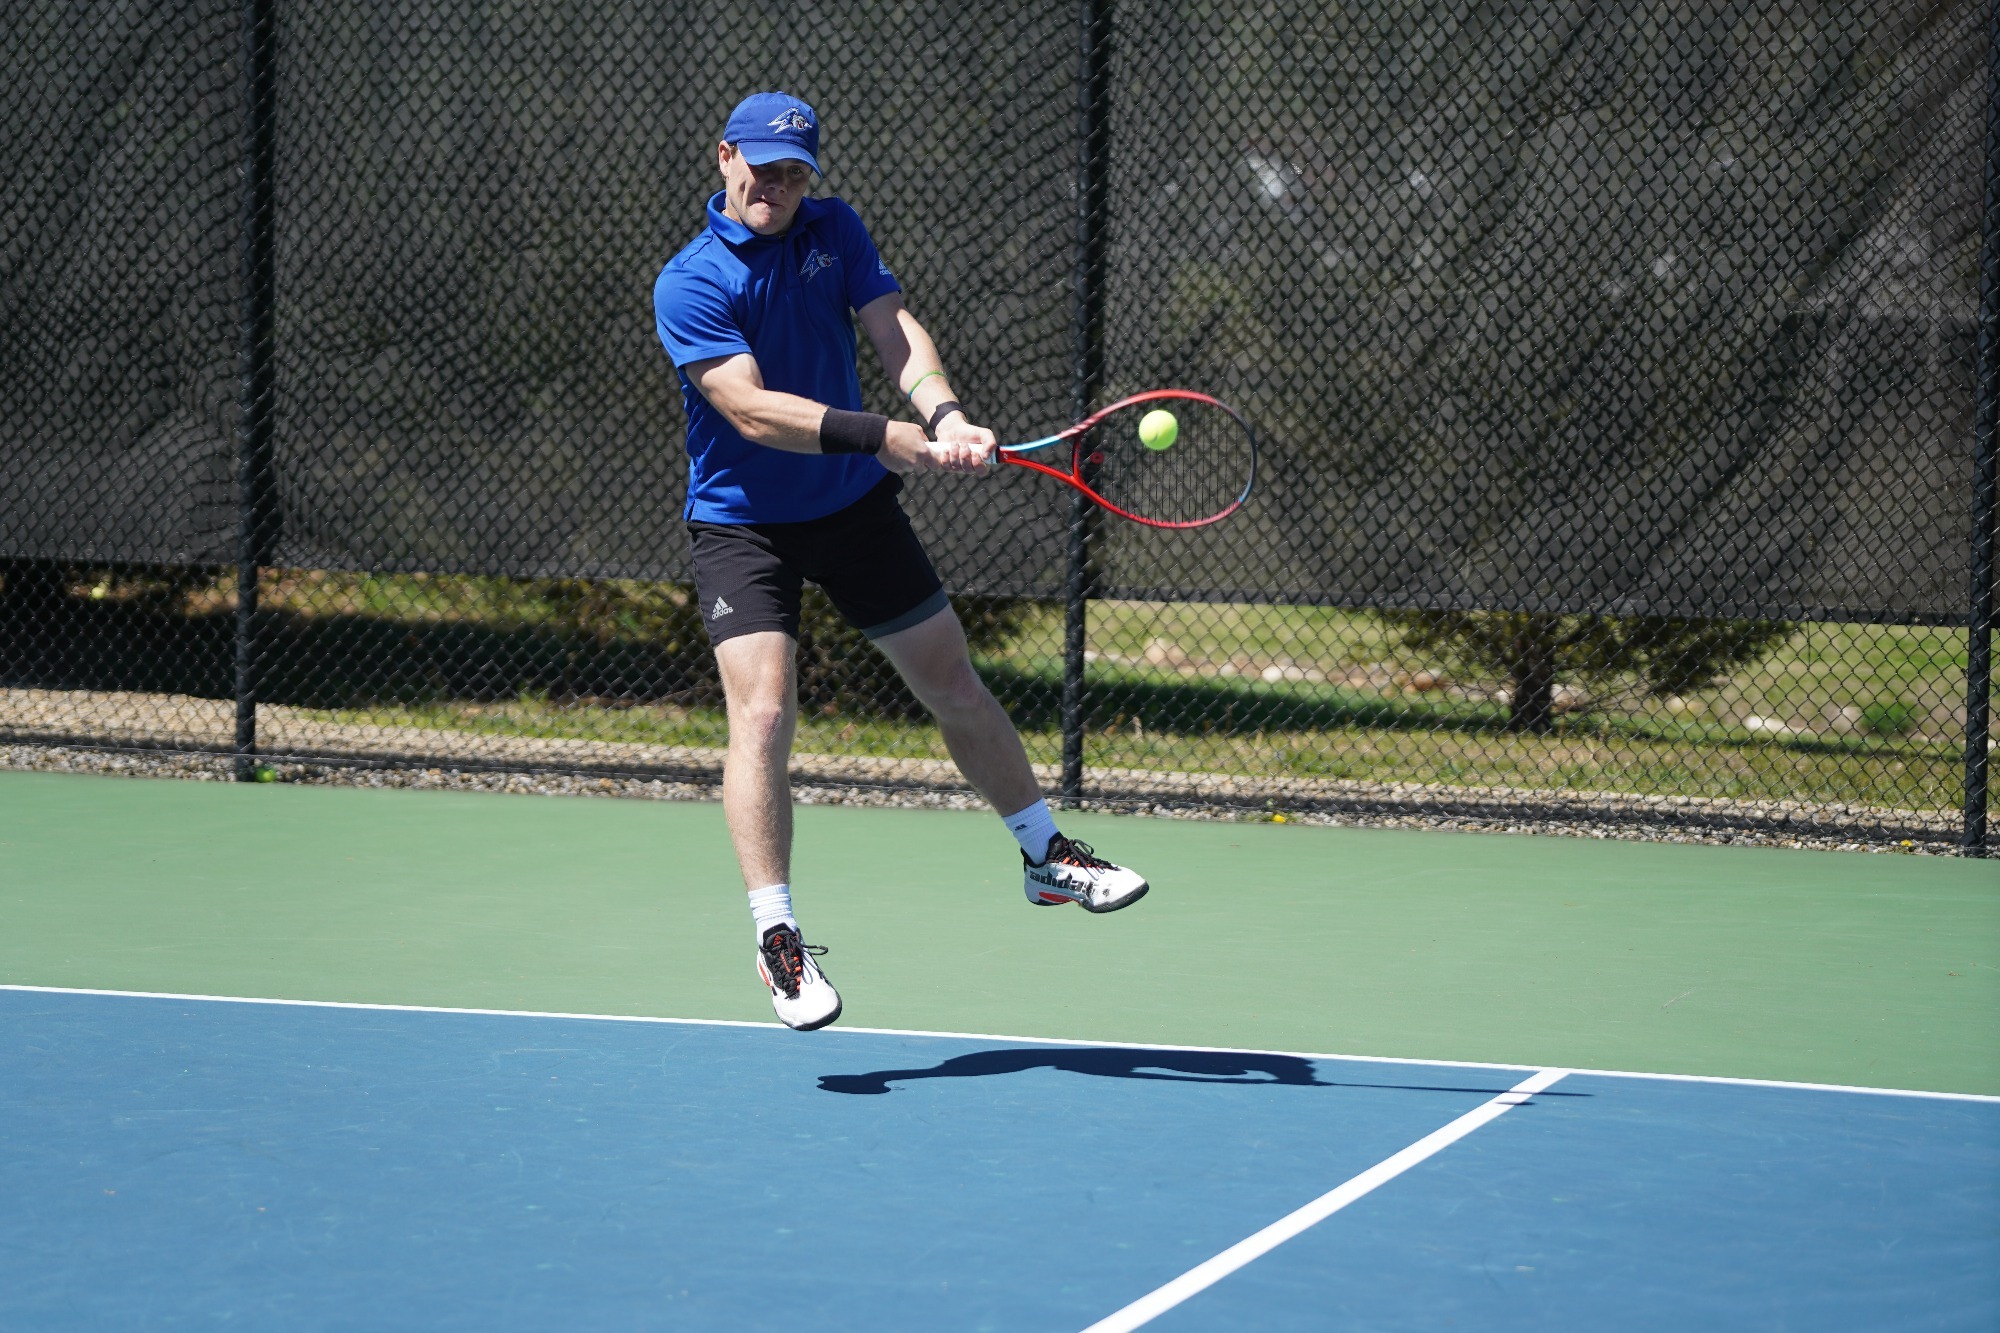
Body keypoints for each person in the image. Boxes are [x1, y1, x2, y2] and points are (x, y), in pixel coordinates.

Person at [651, 92, 1148, 1032]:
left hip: (849, 510)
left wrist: (944, 414)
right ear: (724, 158)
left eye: (797, 173)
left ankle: (1046, 855)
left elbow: (893, 328)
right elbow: (750, 410)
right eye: (763, 167)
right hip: (741, 523)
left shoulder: (832, 229)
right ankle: (776, 936)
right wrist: (881, 433)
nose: (780, 187)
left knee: (952, 678)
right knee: (761, 711)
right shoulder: (690, 281)